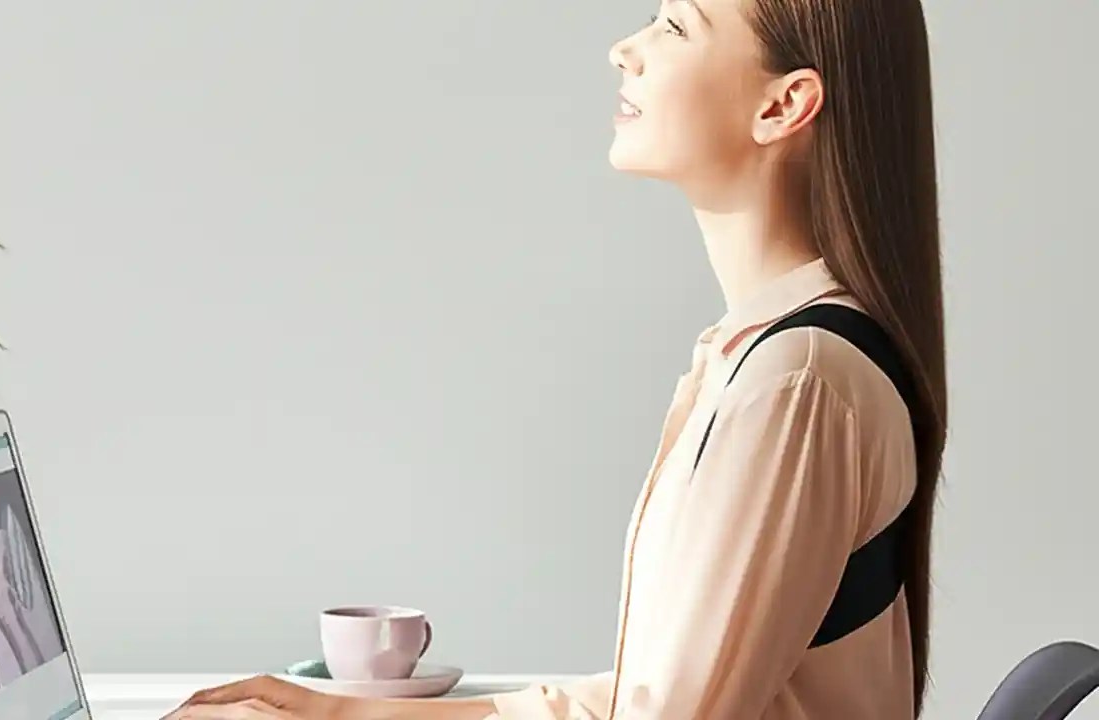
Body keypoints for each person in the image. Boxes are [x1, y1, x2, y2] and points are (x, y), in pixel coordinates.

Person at [163, 0, 947, 717]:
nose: (624, 50)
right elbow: (657, 695)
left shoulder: (797, 379)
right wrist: (347, 711)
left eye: (676, 27)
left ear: (782, 105)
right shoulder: (771, 355)